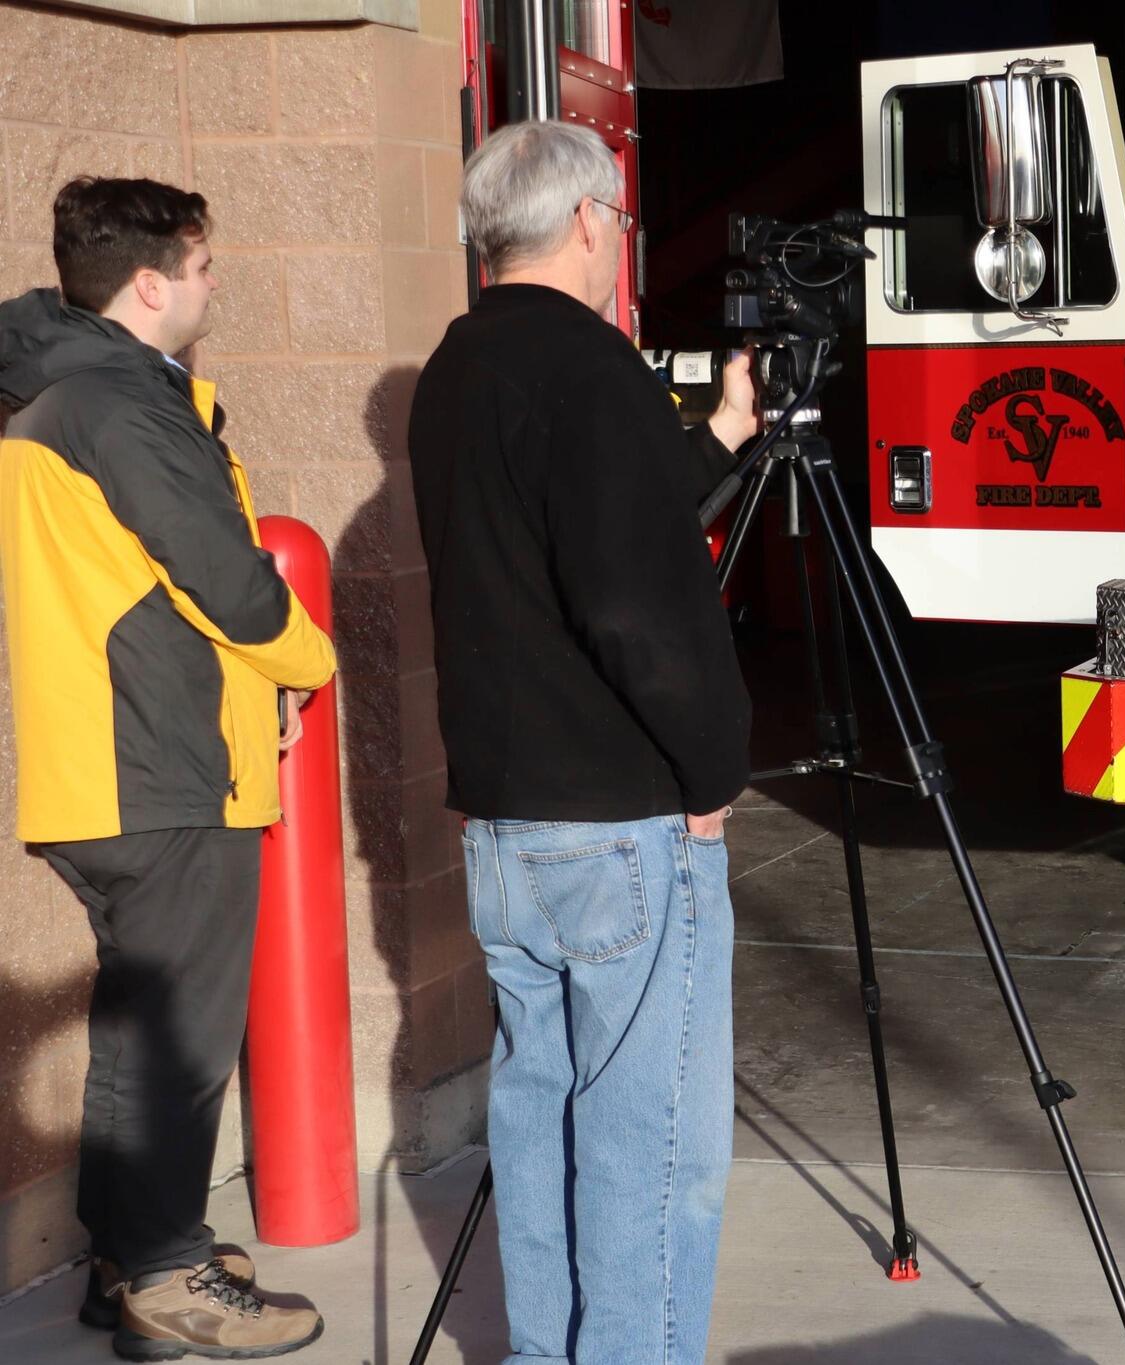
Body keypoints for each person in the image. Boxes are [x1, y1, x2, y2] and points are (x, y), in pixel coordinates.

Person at [408, 120, 758, 1364]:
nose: (616, 237)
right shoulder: (591, 370)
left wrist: (721, 434)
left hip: (507, 827)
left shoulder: (455, 368)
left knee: (541, 1121)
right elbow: (634, 603)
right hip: (617, 826)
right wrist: (714, 770)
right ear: (584, 222)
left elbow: (572, 531)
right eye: (615, 218)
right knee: (649, 1148)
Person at [0, 177, 335, 1357]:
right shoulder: (124, 407)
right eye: (201, 264)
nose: (214, 279)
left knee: (140, 1033)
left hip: (116, 765)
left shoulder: (65, 388)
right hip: (162, 769)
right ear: (148, 286)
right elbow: (229, 583)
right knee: (178, 1044)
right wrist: (310, 662)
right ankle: (166, 1274)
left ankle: (128, 1255)